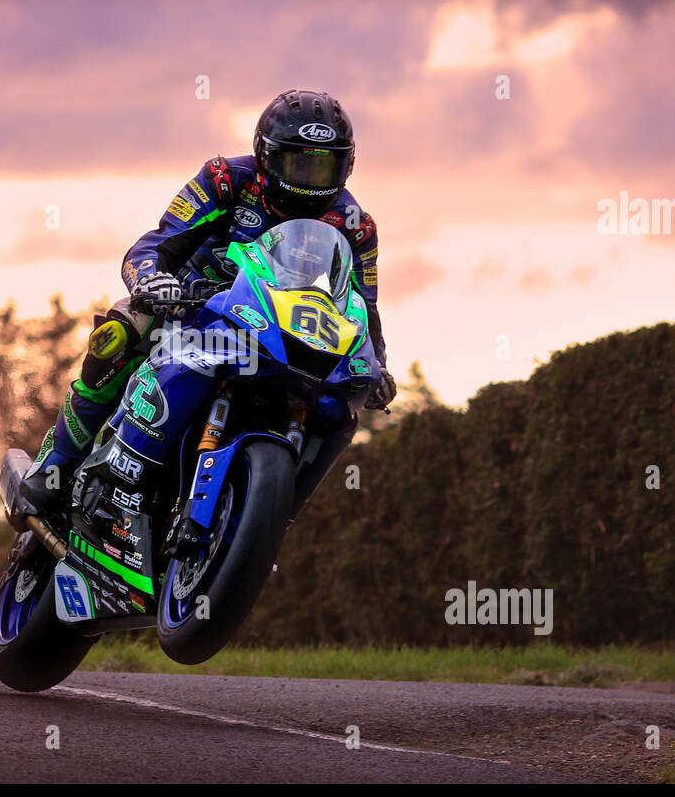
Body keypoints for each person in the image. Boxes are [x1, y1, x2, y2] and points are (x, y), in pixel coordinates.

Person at [20, 89, 395, 511]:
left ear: (348, 165)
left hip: (283, 334)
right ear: (266, 156)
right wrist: (151, 282)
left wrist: (377, 362)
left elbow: (365, 306)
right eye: (298, 162)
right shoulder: (225, 179)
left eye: (323, 165)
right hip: (190, 308)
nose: (310, 179)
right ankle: (56, 463)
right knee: (121, 332)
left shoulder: (355, 226)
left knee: (340, 400)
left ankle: (269, 516)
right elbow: (154, 246)